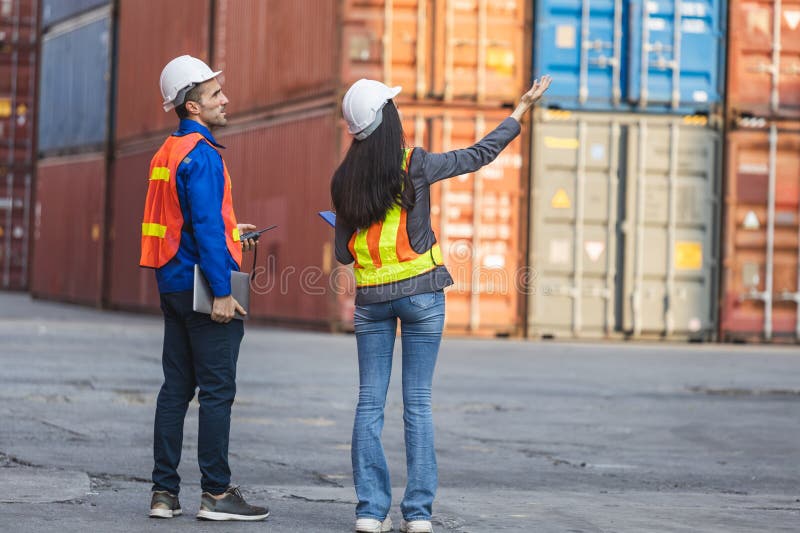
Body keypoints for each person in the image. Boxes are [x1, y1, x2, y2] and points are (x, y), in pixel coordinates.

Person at [331, 75, 551, 533]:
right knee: (419, 403)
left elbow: (341, 253)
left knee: (369, 403)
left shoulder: (343, 179)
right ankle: (418, 515)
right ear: (389, 121)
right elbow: (479, 155)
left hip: (372, 302)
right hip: (422, 297)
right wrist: (520, 111)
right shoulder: (416, 163)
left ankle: (371, 512)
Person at [139, 54, 268, 521]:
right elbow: (207, 228)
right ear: (193, 106)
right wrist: (221, 291)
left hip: (172, 282)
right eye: (215, 93)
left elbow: (185, 223)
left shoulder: (166, 152)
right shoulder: (204, 153)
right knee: (217, 390)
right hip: (202, 286)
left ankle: (163, 493)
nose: (225, 99)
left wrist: (236, 233)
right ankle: (216, 492)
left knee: (175, 389)